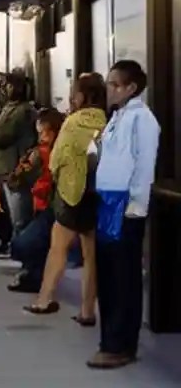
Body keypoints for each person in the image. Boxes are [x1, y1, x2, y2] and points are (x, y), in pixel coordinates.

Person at [88, 60, 159, 370]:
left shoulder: (143, 120)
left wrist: (136, 206)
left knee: (124, 277)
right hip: (106, 201)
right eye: (109, 83)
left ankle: (121, 343)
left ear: (132, 88)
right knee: (107, 274)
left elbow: (144, 167)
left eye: (116, 84)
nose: (110, 89)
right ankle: (110, 338)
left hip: (125, 205)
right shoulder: (116, 117)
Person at [26, 72, 106, 325]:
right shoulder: (107, 120)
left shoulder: (73, 122)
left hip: (72, 194)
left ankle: (44, 299)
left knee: (57, 249)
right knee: (91, 255)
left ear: (81, 95)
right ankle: (87, 311)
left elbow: (57, 158)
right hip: (97, 193)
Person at [8, 108, 62, 293]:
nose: (42, 135)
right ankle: (35, 277)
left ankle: (34, 277)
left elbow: (21, 174)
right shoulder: (50, 150)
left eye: (45, 131)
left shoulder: (41, 152)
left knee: (26, 241)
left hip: (45, 202)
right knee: (39, 243)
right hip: (44, 201)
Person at [0, 72, 36, 257]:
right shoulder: (9, 108)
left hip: (14, 168)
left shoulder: (20, 111)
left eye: (6, 85)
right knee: (11, 212)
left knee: (19, 215)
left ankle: (22, 251)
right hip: (6, 168)